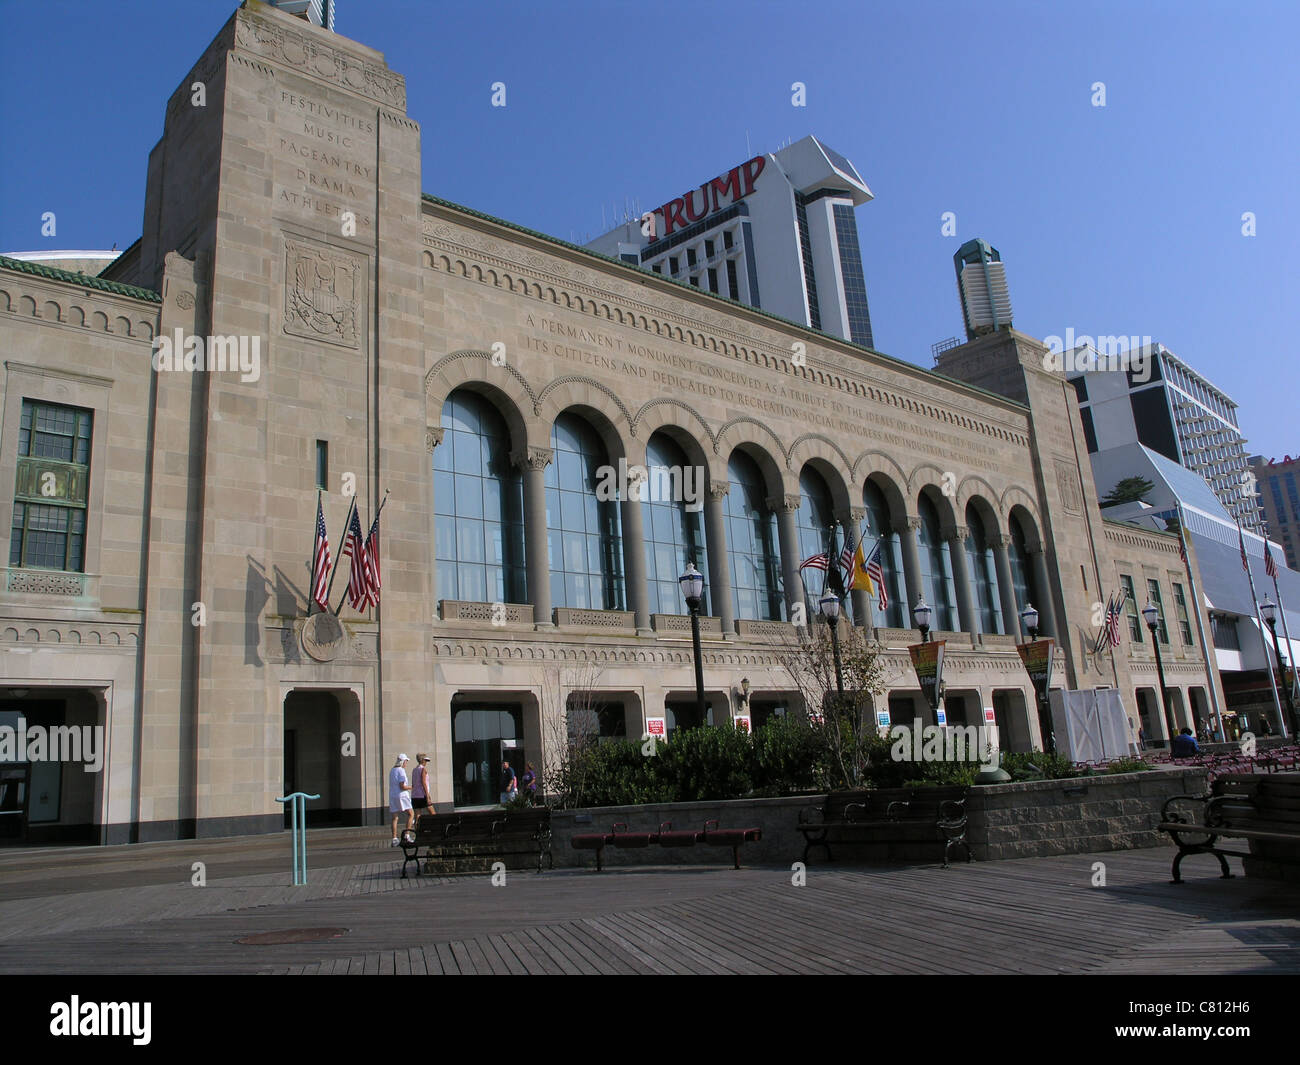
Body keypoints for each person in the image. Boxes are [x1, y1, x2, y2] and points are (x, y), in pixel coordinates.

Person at [389, 753, 413, 846]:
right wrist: (411, 787)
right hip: (402, 796)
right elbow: (402, 786)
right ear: (403, 762)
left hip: (393, 796)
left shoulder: (392, 770)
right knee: (411, 814)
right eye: (406, 761)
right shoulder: (401, 771)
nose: (406, 763)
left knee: (395, 817)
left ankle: (394, 838)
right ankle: (407, 835)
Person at [411, 753, 432, 820]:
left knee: (417, 816)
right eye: (425, 760)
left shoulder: (414, 770)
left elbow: (413, 783)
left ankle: (417, 829)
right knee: (432, 813)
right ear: (422, 760)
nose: (426, 762)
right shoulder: (423, 769)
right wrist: (427, 795)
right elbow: (424, 783)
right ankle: (436, 828)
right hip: (422, 795)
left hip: (414, 795)